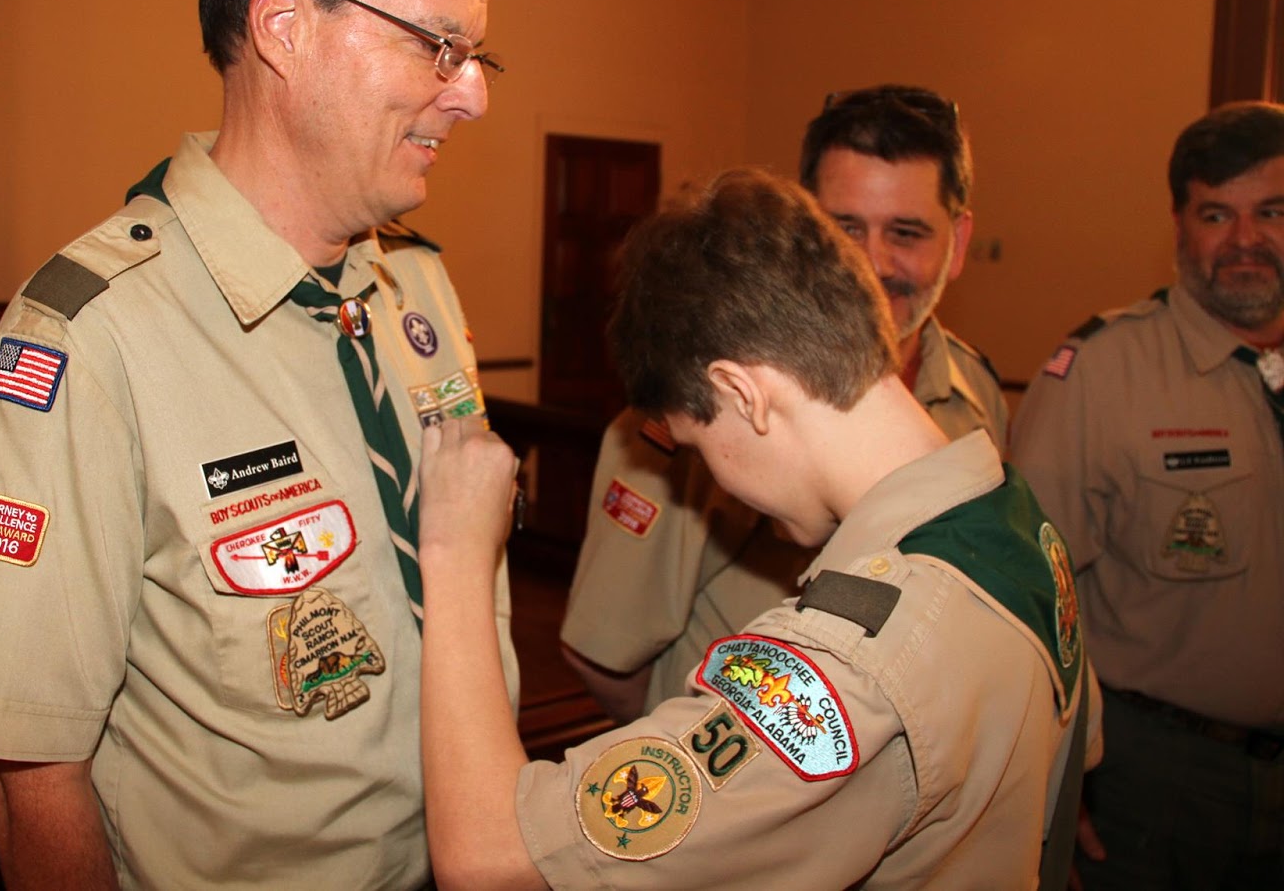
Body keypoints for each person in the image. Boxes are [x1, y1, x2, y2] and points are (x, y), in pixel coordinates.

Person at [0, 0, 517, 889]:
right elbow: (25, 767)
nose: (470, 95)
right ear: (284, 25)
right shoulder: (88, 337)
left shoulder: (419, 287)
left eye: (477, 57)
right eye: (438, 44)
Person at [419, 170, 1097, 888]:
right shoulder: (1012, 517)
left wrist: (458, 550)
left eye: (703, 446)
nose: (717, 479)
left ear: (742, 392)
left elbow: (489, 862)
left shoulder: (853, 666)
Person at [562, 85, 1009, 720]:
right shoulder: (691, 420)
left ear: (958, 243)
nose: (871, 263)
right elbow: (607, 656)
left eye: (905, 233)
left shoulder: (976, 391)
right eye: (844, 227)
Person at [1010, 101, 1284, 889]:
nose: (1245, 241)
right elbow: (1028, 600)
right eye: (1215, 214)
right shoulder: (1100, 372)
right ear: (1178, 225)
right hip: (1156, 779)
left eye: (1271, 211)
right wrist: (1058, 780)